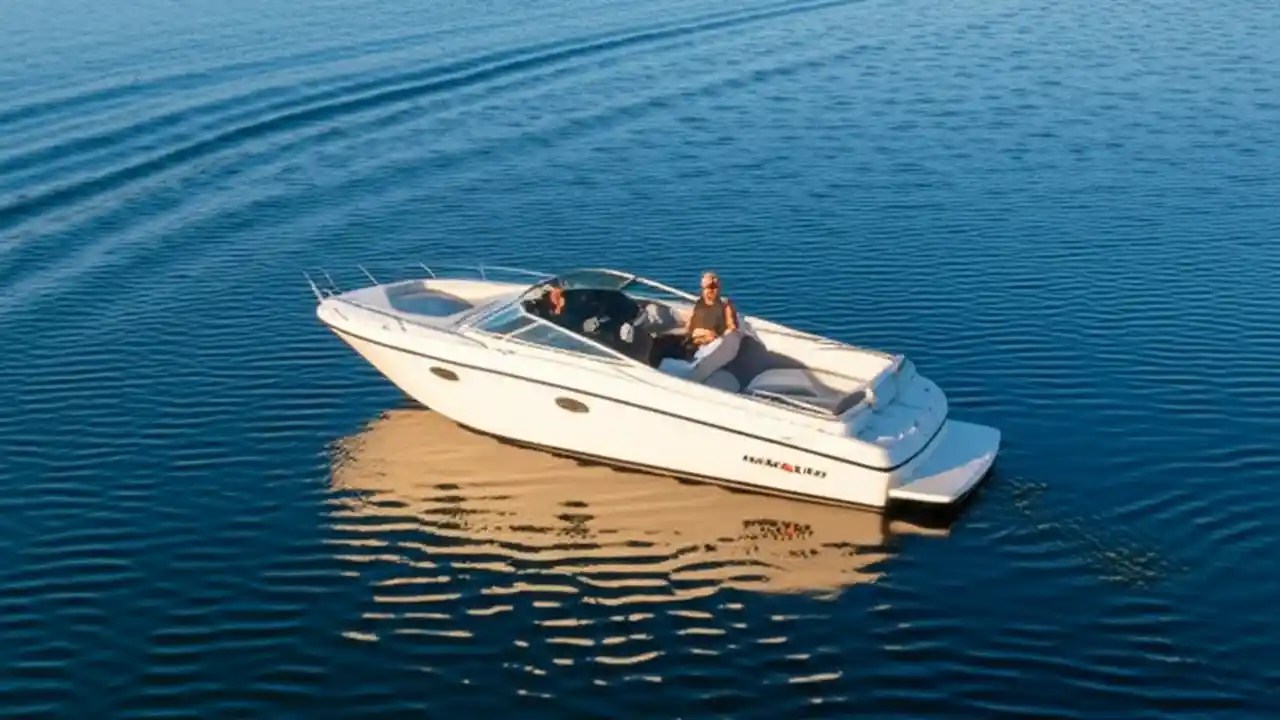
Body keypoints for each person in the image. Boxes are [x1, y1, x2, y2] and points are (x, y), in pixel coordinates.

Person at [649, 270, 738, 365]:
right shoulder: (700, 303)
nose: (710, 290)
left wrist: (716, 340)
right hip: (690, 338)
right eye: (707, 287)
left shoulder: (724, 304)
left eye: (714, 287)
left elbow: (731, 327)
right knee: (659, 341)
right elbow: (692, 323)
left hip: (703, 343)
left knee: (676, 353)